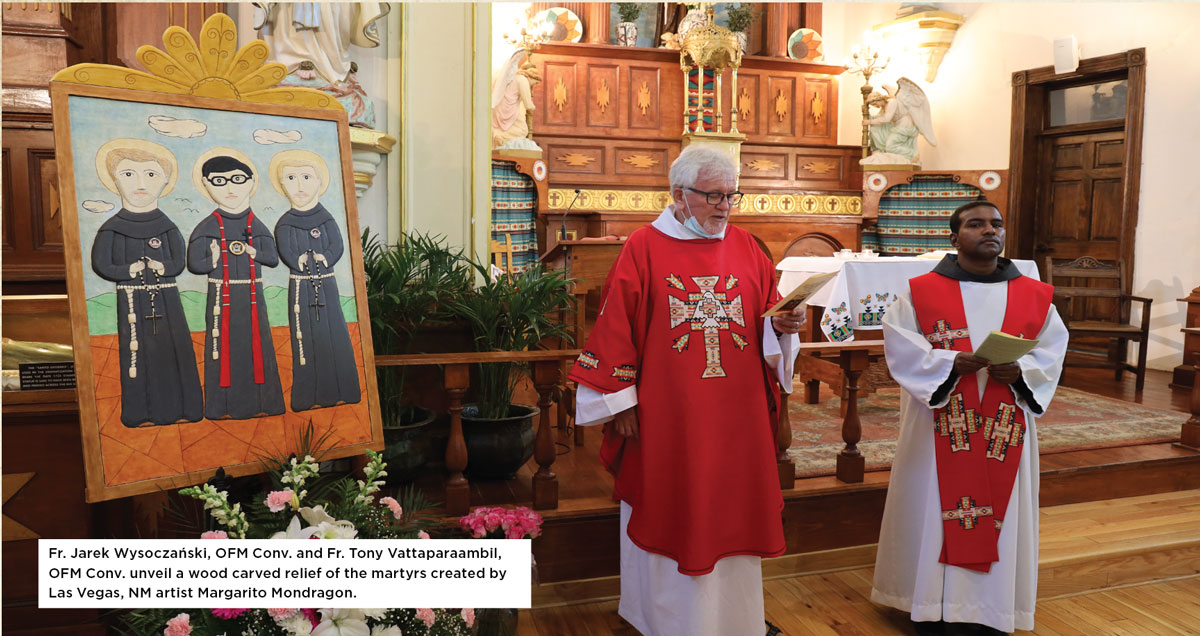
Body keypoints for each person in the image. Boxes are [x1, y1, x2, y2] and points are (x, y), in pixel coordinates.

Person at [567, 145, 806, 636]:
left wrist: (786, 323)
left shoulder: (746, 246)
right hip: (668, 414)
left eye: (731, 196)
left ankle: (735, 621)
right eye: (713, 196)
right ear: (679, 194)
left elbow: (768, 316)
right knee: (671, 503)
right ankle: (668, 622)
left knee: (731, 508)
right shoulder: (644, 246)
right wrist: (621, 405)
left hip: (737, 415)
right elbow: (616, 327)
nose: (724, 207)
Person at [871, 201, 1069, 635]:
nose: (989, 231)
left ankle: (989, 609)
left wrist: (1022, 372)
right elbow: (899, 344)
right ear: (954, 237)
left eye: (996, 224)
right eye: (975, 224)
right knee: (933, 503)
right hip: (940, 423)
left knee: (1001, 508)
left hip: (1005, 424)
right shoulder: (922, 291)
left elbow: (1052, 350)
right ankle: (930, 603)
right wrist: (946, 364)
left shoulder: (1033, 295)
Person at [90, 138, 203, 427]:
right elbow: (102, 264)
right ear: (115, 181)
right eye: (129, 174)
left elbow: (180, 261)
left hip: (168, 301)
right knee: (137, 354)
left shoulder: (167, 226)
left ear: (164, 182)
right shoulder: (111, 229)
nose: (140, 182)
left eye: (151, 174)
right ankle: (141, 414)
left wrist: (162, 266)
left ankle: (183, 410)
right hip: (132, 301)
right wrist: (129, 269)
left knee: (175, 352)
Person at [187, 148, 286, 420]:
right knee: (222, 350)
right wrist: (214, 257)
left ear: (251, 181)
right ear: (207, 185)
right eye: (219, 181)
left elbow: (273, 258)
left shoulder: (257, 224)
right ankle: (223, 407)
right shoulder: (207, 226)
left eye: (237, 179)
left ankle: (263, 403)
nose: (229, 187)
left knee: (258, 348)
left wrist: (254, 252)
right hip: (221, 296)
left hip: (253, 296)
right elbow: (195, 264)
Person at [269, 149, 361, 412]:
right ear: (282, 185)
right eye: (291, 178)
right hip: (301, 288)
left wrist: (325, 256)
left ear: (319, 182)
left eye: (306, 177)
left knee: (335, 336)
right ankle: (309, 395)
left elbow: (337, 245)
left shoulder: (327, 218)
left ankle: (344, 389)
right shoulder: (285, 223)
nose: (299, 185)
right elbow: (285, 249)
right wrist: (297, 258)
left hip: (327, 286)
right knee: (304, 338)